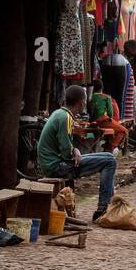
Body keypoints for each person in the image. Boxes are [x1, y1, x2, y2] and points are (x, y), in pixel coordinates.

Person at [37, 84, 117, 223]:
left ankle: (107, 206)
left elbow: (66, 146)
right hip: (57, 166)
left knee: (109, 157)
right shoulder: (65, 118)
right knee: (109, 161)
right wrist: (74, 151)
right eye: (85, 101)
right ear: (82, 102)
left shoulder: (59, 113)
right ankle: (103, 208)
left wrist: (75, 150)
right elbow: (66, 152)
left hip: (55, 162)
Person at [86, 79, 129, 153]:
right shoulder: (106, 97)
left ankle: (108, 146)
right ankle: (110, 148)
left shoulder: (90, 98)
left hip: (93, 122)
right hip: (103, 120)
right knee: (124, 131)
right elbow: (110, 113)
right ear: (102, 88)